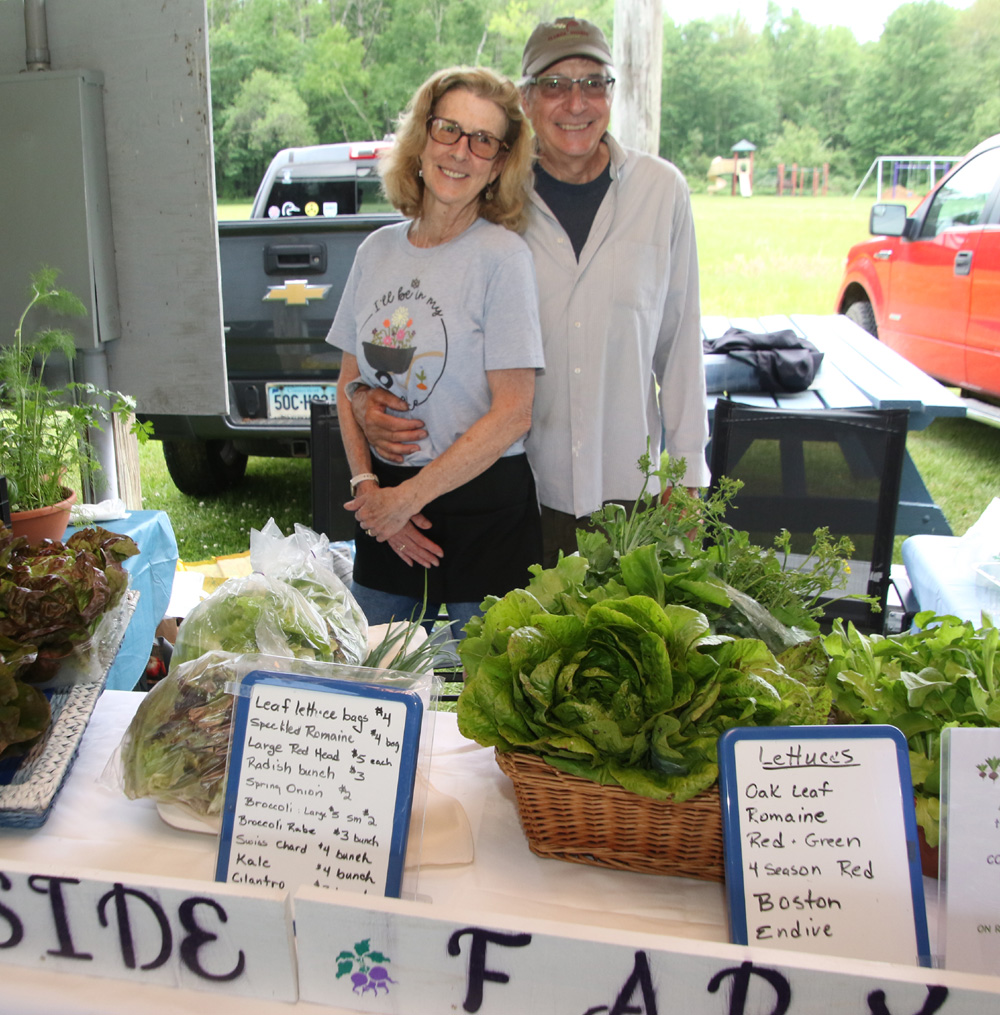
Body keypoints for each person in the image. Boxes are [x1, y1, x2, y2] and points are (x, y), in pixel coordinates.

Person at [350, 18, 710, 568]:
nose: (576, 103)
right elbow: (424, 325)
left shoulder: (662, 193)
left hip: (630, 491)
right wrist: (362, 399)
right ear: (526, 98)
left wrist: (687, 476)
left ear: (612, 93)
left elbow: (680, 343)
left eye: (594, 83)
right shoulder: (492, 207)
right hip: (522, 495)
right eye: (555, 85)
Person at [327, 66, 544, 634]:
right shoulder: (376, 252)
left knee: (495, 703)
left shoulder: (504, 259)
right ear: (422, 139)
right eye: (449, 129)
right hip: (387, 513)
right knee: (372, 693)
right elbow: (347, 386)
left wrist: (407, 499)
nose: (461, 152)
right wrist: (370, 492)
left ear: (499, 164)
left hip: (487, 515)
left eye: (483, 140)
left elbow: (513, 413)